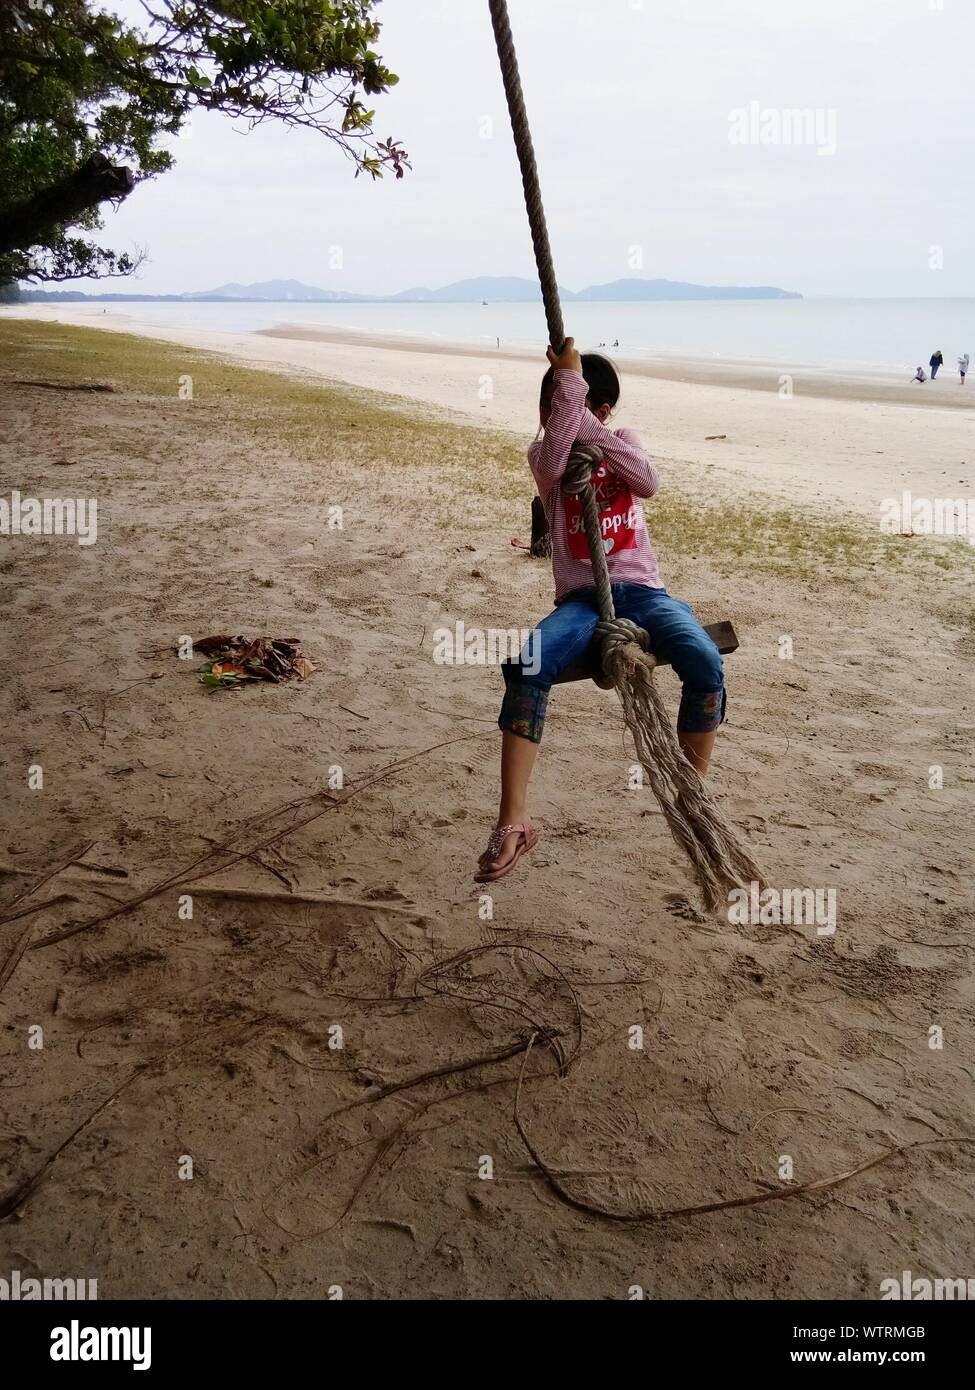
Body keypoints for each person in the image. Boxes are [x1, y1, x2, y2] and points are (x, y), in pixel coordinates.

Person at [476, 338, 725, 882]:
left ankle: (692, 795)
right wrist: (571, 393)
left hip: (644, 592)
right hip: (584, 602)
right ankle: (513, 821)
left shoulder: (623, 442)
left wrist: (575, 397)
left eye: (559, 407)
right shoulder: (545, 460)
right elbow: (560, 443)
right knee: (528, 665)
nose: (548, 420)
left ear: (603, 412)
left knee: (705, 661)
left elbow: (648, 482)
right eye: (548, 409)